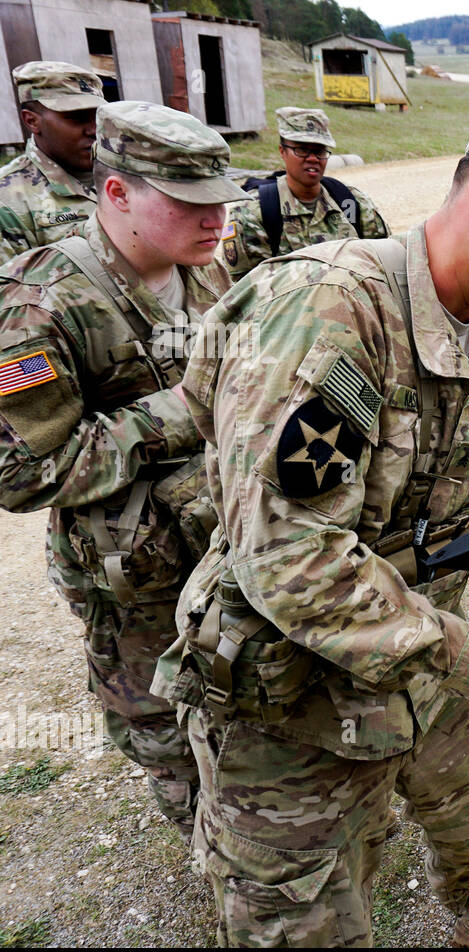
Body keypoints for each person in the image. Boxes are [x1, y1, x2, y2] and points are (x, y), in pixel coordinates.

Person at [165, 96, 469, 948]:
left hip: (417, 647)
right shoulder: (334, 314)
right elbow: (292, 562)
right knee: (302, 913)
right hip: (290, 685)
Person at [0, 101, 246, 833]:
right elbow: (20, 473)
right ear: (117, 193)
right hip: (129, 574)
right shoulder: (38, 304)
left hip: (218, 541)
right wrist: (178, 411)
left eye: (222, 203)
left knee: (240, 696)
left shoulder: (208, 272)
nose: (216, 221)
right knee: (163, 726)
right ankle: (208, 849)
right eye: (191, 203)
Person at [219, 106, 389, 279]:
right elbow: (246, 292)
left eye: (319, 151)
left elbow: (384, 267)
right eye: (301, 150)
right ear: (282, 151)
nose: (313, 158)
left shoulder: (352, 202)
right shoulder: (254, 212)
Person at [0, 62, 104, 264]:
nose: (94, 130)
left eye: (99, 116)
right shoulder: (8, 201)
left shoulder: (128, 174)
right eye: (77, 117)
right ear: (32, 121)